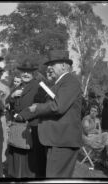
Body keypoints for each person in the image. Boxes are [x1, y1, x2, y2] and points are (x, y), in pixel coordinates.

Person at [16, 50, 83, 178]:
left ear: (64, 65)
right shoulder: (59, 83)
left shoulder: (70, 81)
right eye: (48, 65)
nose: (49, 68)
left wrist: (37, 108)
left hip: (63, 141)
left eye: (53, 64)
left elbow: (58, 106)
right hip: (56, 140)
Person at [6, 60, 46, 178]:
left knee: (29, 160)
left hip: (31, 126)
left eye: (29, 72)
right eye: (24, 72)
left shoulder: (39, 86)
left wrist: (22, 115)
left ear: (33, 73)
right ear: (20, 73)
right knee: (17, 151)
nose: (26, 74)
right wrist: (12, 97)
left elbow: (38, 105)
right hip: (18, 127)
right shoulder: (17, 86)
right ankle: (16, 175)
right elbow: (8, 104)